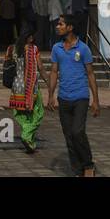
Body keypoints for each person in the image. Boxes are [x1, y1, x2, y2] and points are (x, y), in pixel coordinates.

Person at [46, 14, 99, 176]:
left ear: (70, 27)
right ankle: (77, 170)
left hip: (81, 97)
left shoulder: (83, 49)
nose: (57, 26)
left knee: (77, 132)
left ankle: (88, 164)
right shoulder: (57, 48)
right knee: (69, 136)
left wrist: (96, 100)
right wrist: (50, 95)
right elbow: (54, 71)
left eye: (61, 24)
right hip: (64, 97)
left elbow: (90, 74)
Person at [5, 27, 45, 153]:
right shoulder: (33, 49)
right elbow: (41, 67)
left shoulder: (11, 49)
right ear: (30, 37)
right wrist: (50, 83)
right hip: (31, 87)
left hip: (16, 87)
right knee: (38, 113)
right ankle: (26, 135)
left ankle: (30, 143)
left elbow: (7, 66)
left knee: (21, 114)